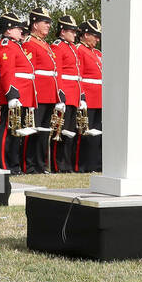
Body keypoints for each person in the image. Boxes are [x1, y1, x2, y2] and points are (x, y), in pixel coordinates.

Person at [0, 12, 35, 174]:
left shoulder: (15, 45)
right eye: (18, 28)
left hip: (21, 95)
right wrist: (11, 95)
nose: (21, 31)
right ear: (9, 30)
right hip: (13, 95)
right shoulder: (6, 45)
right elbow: (7, 72)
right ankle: (3, 165)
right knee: (6, 132)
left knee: (16, 133)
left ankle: (14, 165)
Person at [23, 8, 61, 174]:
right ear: (35, 23)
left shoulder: (45, 44)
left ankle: (40, 164)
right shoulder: (29, 43)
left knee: (45, 131)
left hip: (49, 92)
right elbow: (29, 70)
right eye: (45, 22)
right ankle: (29, 165)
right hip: (38, 91)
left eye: (49, 23)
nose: (48, 26)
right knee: (34, 130)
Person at [53, 15, 84, 173]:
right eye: (71, 31)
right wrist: (60, 94)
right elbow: (57, 72)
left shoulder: (73, 47)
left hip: (75, 94)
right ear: (62, 31)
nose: (74, 34)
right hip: (65, 93)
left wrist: (82, 96)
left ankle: (68, 164)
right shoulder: (58, 46)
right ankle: (59, 165)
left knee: (71, 132)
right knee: (61, 132)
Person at [74, 18, 103, 173]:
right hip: (88, 97)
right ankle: (84, 165)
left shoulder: (97, 53)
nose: (97, 39)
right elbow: (79, 76)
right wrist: (82, 97)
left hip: (99, 98)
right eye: (94, 35)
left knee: (98, 133)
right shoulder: (79, 49)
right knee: (85, 133)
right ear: (85, 35)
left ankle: (96, 163)